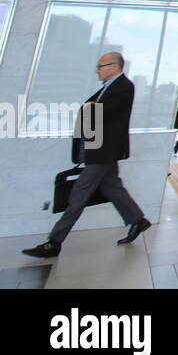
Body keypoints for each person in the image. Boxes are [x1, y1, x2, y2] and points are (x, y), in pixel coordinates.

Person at [23, 53, 151, 258]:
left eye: (101, 66)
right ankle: (138, 220)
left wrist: (90, 109)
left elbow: (102, 114)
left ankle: (54, 242)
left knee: (78, 196)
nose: (97, 70)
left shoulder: (124, 87)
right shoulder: (108, 88)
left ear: (114, 67)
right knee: (114, 189)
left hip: (104, 152)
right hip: (100, 150)